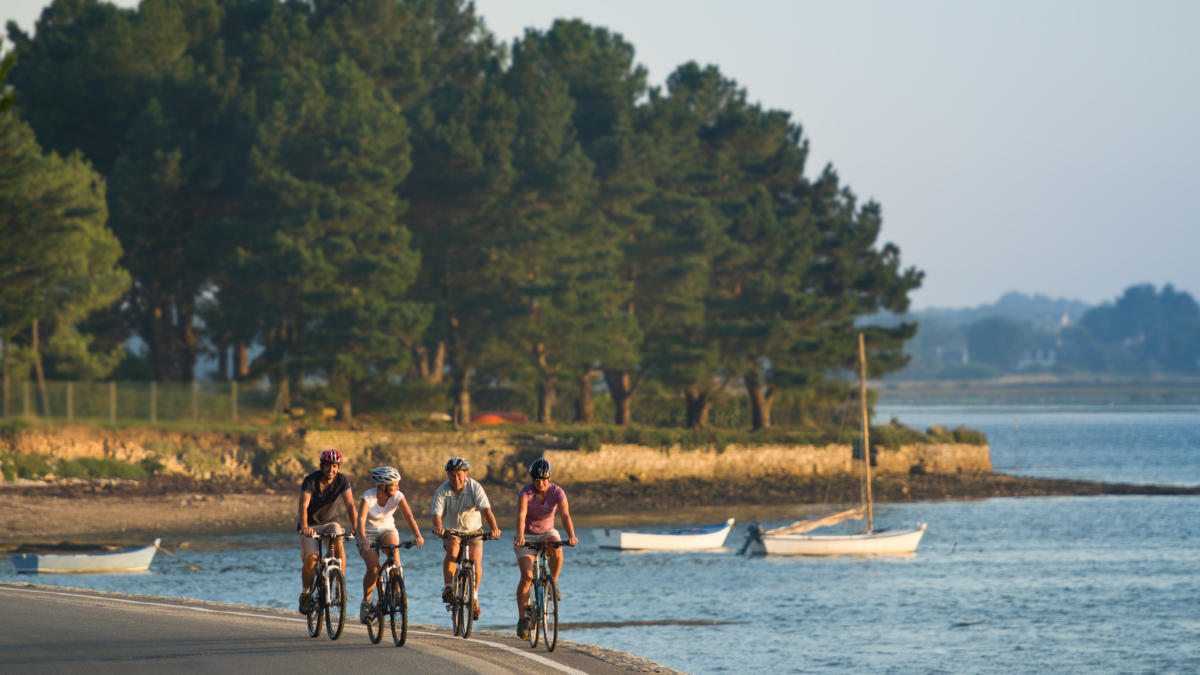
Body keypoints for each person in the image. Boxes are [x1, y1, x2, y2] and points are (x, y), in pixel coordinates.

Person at [513, 457, 577, 639]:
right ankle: (523, 619)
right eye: (536, 479)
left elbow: (565, 515)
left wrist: (571, 535)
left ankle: (553, 582)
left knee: (556, 545)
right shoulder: (526, 493)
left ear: (549, 479)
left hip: (548, 532)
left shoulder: (557, 492)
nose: (540, 483)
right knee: (527, 576)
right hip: (526, 535)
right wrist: (520, 536)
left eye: (543, 479)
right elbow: (521, 514)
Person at [431, 456, 501, 621]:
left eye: (460, 475)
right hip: (451, 531)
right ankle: (448, 588)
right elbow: (436, 514)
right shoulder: (442, 490)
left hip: (474, 531)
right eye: (453, 475)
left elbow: (487, 511)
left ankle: (474, 597)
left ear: (466, 474)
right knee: (454, 551)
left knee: (476, 561)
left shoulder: (475, 487)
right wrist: (438, 528)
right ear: (448, 475)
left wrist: (494, 529)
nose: (456, 479)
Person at [354, 466, 424, 622]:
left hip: (387, 530)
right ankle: (366, 602)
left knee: (395, 561)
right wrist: (364, 539)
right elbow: (360, 519)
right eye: (394, 484)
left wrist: (418, 535)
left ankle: (397, 592)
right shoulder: (368, 497)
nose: (398, 487)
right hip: (368, 533)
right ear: (383, 486)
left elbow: (409, 516)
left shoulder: (398, 496)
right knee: (373, 568)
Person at [298, 448, 358, 615]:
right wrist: (304, 527)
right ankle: (306, 593)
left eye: (335, 466)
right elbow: (303, 505)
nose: (331, 470)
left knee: (339, 542)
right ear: (321, 466)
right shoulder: (310, 480)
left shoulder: (342, 480)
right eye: (328, 466)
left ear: (339, 468)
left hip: (330, 523)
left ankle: (339, 585)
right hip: (310, 525)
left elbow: (350, 505)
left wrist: (356, 527)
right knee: (312, 558)